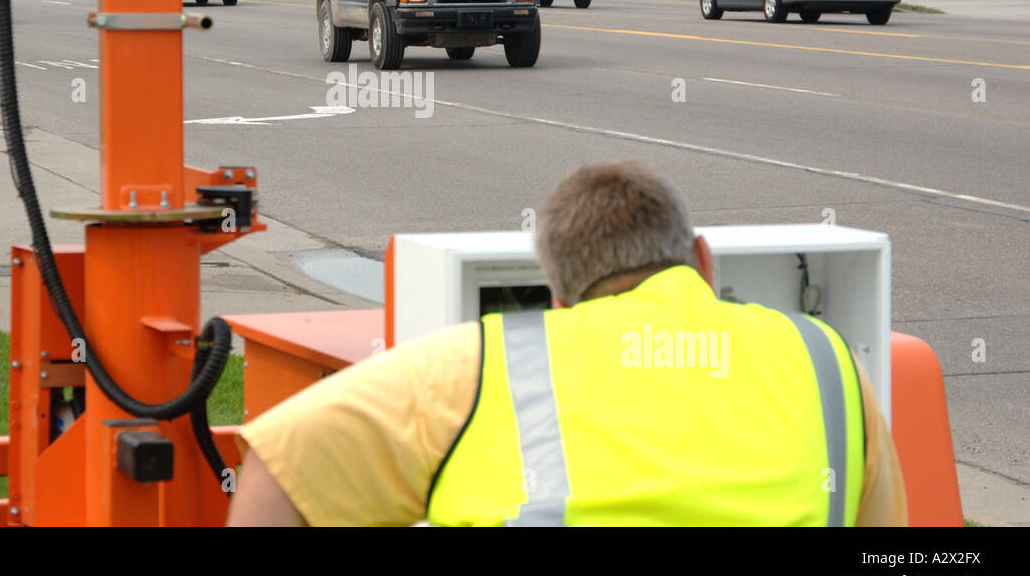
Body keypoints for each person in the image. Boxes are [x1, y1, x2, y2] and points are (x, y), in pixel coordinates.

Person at [227, 160, 907, 526]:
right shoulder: (827, 365)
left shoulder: (484, 364)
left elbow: (276, 463)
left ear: (557, 299)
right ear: (703, 259)